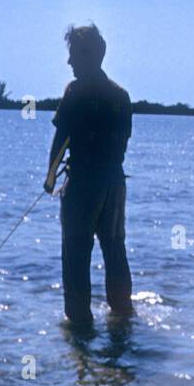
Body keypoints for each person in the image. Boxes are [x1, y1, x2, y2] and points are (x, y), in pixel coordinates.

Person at [45, 24, 133, 334]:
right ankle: (123, 319)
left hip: (83, 184)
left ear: (89, 56)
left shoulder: (74, 90)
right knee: (115, 252)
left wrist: (50, 177)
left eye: (73, 56)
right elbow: (121, 144)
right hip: (114, 183)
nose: (69, 63)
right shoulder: (122, 96)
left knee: (76, 256)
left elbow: (60, 139)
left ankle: (79, 327)